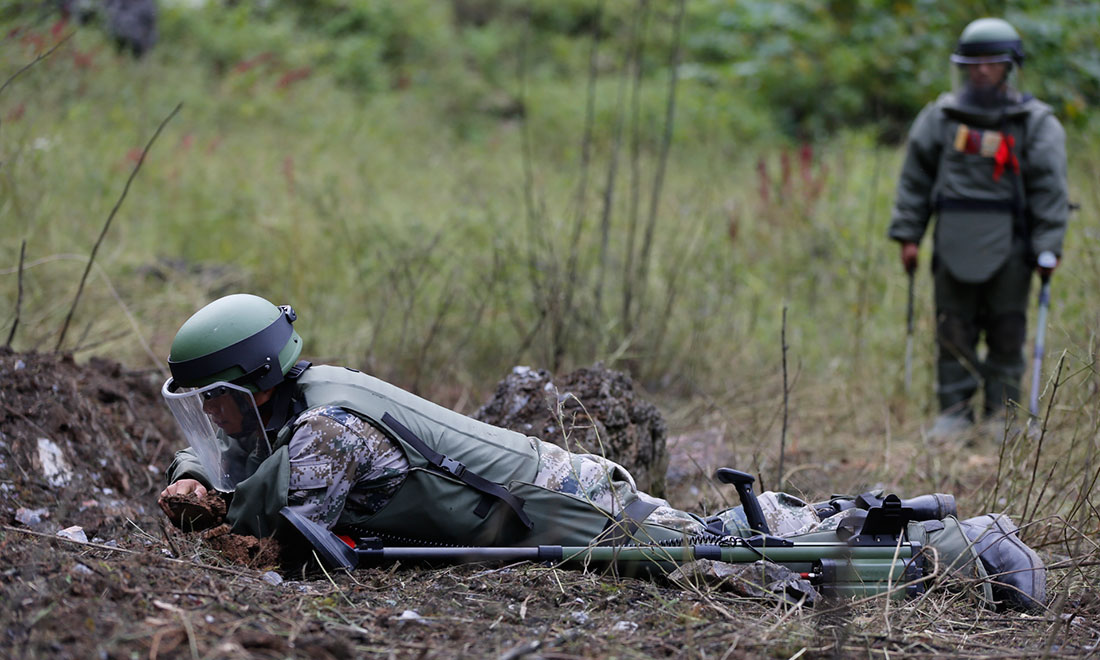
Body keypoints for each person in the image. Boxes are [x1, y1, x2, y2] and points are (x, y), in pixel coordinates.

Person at [158, 293, 1046, 609]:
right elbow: (232, 475)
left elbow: (281, 546)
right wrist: (193, 474)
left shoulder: (319, 430)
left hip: (567, 503)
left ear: (253, 387)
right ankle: (879, 526)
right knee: (725, 548)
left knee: (737, 564)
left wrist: (210, 512)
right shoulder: (301, 401)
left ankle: (953, 553)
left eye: (217, 408)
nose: (215, 424)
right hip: (549, 492)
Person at [888, 17, 1069, 438]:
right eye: (973, 62)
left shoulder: (1034, 123)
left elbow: (1049, 189)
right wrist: (909, 235)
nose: (981, 69)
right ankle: (953, 411)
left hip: (1012, 245)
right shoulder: (941, 118)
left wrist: (1048, 245)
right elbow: (915, 179)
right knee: (953, 327)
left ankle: (1002, 416)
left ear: (1008, 66)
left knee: (1007, 328)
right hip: (953, 241)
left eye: (991, 61)